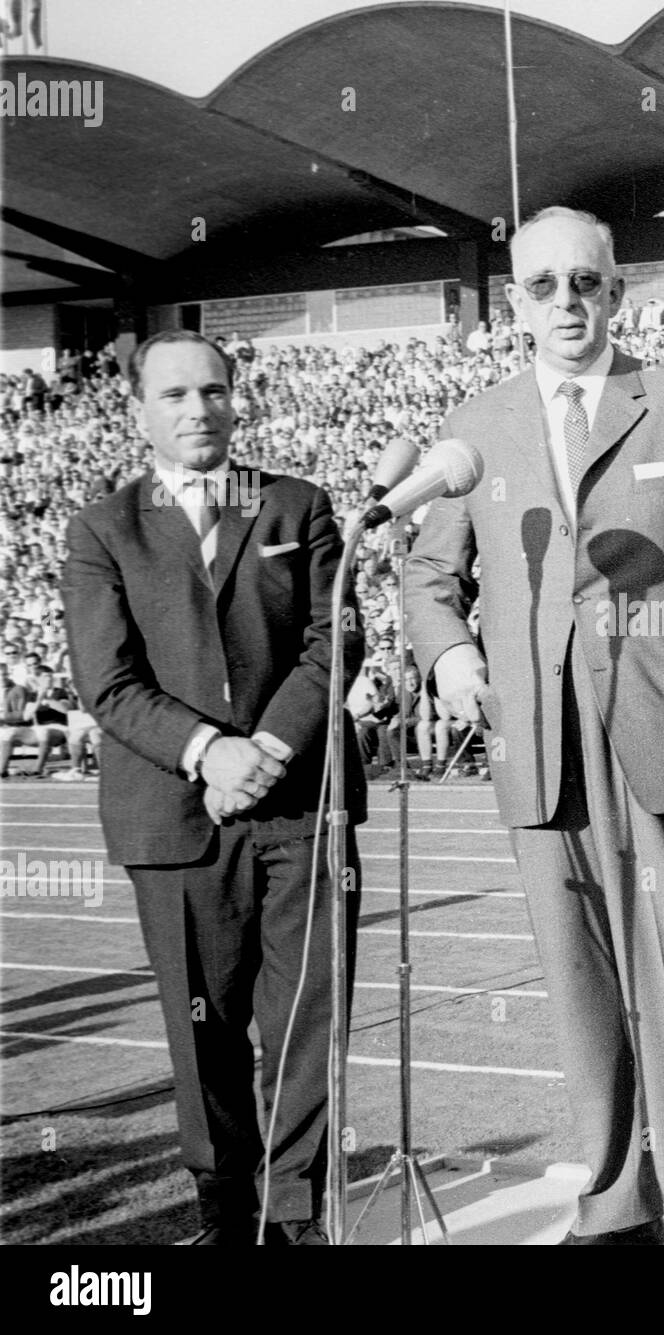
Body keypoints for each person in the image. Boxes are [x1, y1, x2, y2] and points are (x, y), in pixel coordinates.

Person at [405, 207, 664, 1245]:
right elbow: (427, 576)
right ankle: (609, 1205)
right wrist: (451, 653)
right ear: (514, 303)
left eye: (585, 283)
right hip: (538, 736)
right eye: (542, 287)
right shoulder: (476, 426)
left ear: (617, 293)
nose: (566, 305)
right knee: (580, 983)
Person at [61, 329, 367, 1245]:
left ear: (238, 398)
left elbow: (334, 641)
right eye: (177, 395)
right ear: (141, 411)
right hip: (175, 818)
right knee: (205, 1032)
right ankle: (226, 1215)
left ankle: (295, 1214)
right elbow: (106, 681)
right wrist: (208, 752)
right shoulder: (101, 529)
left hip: (301, 806)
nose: (199, 410)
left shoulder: (296, 505)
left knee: (307, 1017)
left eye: (215, 391)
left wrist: (263, 748)